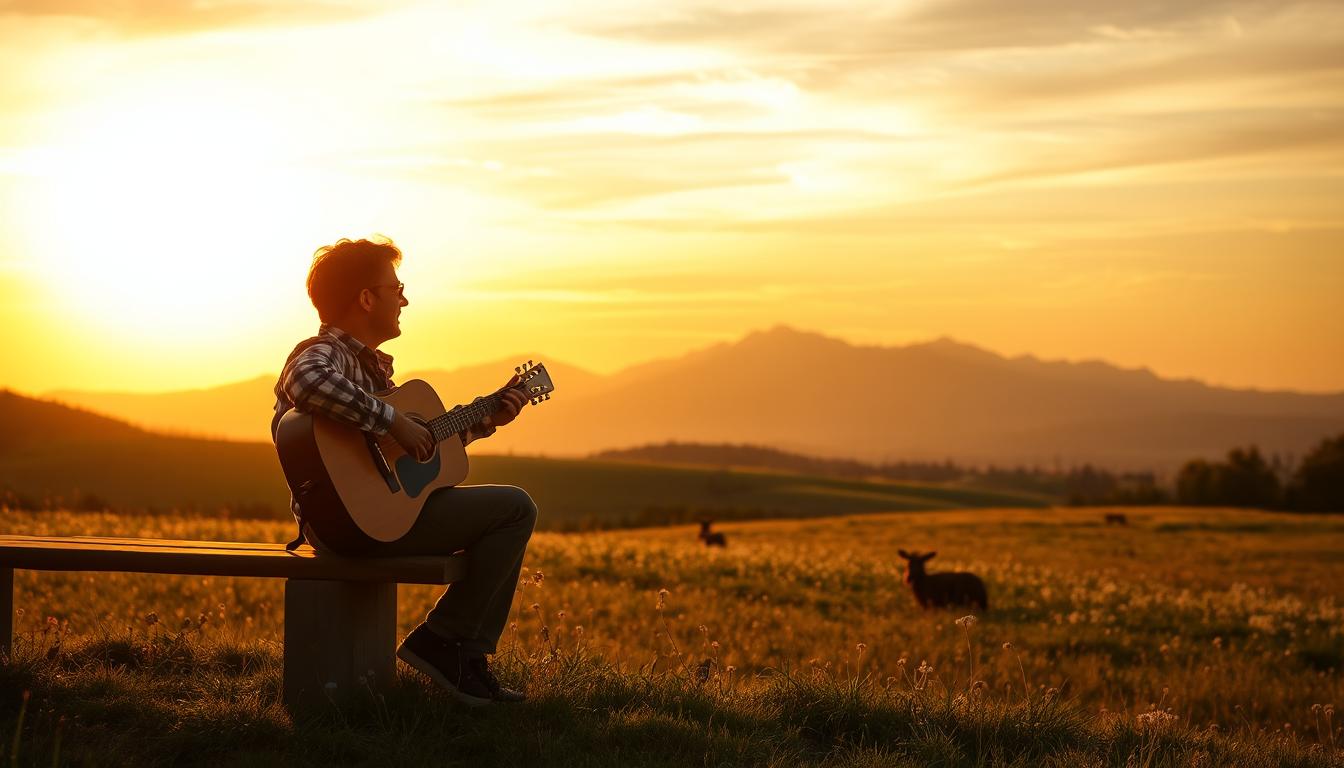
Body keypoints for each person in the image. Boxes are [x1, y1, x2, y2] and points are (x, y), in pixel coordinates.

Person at [272, 236, 537, 706]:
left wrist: (484, 420)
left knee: (507, 508)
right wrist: (393, 419)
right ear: (366, 298)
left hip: (372, 518)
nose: (404, 299)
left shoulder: (375, 375)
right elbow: (305, 381)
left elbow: (410, 454)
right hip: (347, 526)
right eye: (395, 288)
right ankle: (448, 643)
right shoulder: (323, 352)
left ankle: (457, 649)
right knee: (514, 509)